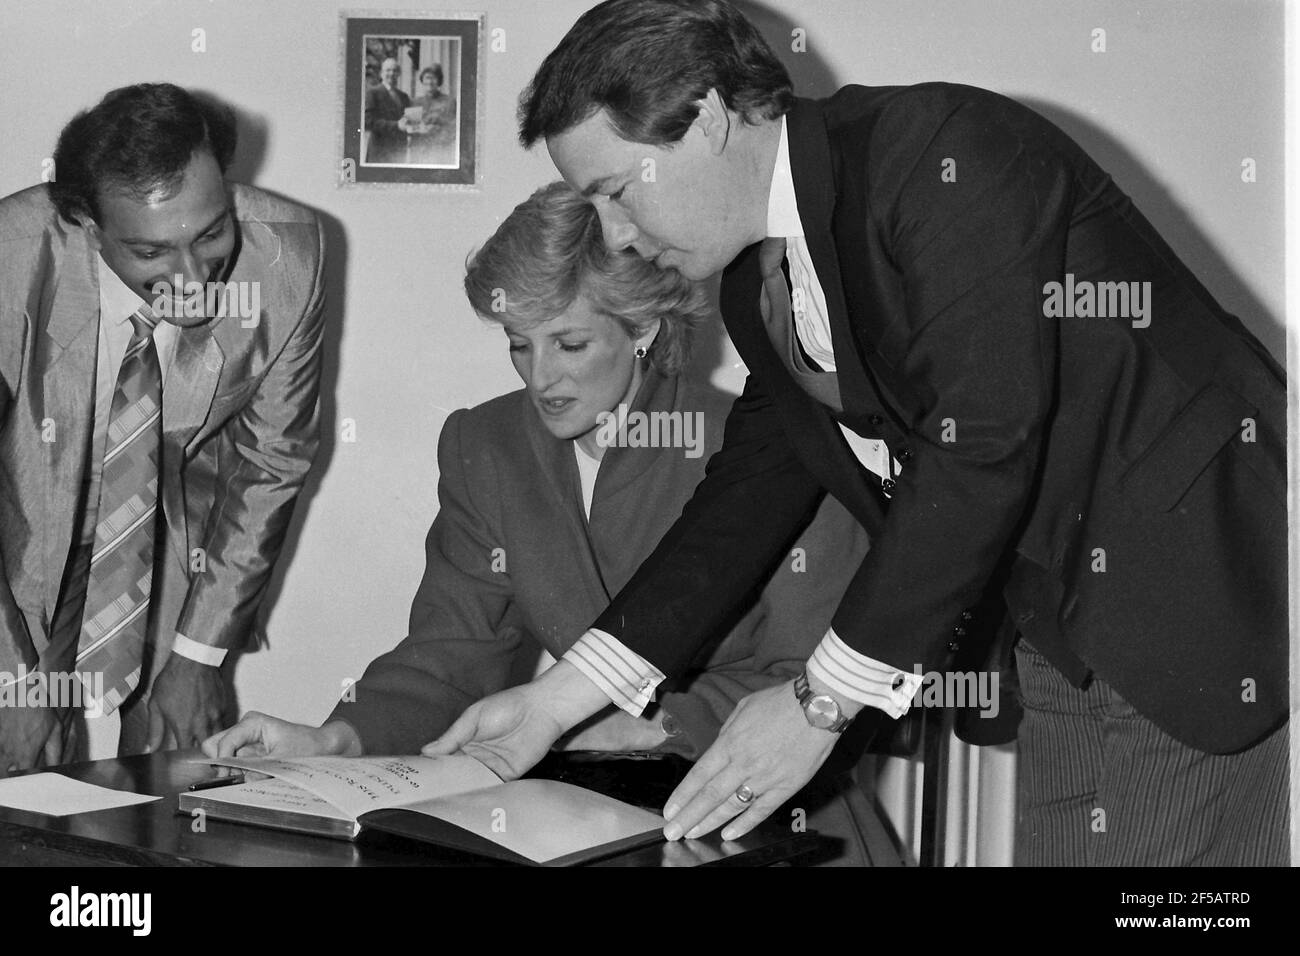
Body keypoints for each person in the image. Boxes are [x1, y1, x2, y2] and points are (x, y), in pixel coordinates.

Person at [428, 0, 1289, 866]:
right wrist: (557, 701)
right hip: (1064, 636)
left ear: (712, 119)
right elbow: (750, 494)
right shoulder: (754, 284)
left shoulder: (944, 151)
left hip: (1202, 592)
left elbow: (982, 445)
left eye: (615, 192)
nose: (615, 233)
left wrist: (819, 702)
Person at [205, 181, 899, 866]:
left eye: (568, 343)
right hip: (579, 824)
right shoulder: (487, 447)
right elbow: (451, 653)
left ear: (643, 329)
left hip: (772, 817)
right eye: (519, 343)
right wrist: (340, 742)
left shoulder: (772, 452)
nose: (541, 378)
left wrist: (646, 722)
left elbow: (817, 678)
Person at [0, 83, 325, 770]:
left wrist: (199, 656)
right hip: (22, 533)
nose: (191, 277)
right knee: (19, 770)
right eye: (150, 254)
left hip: (176, 540)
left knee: (177, 776)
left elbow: (272, 461)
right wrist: (12, 680)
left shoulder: (289, 259)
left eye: (210, 233)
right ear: (87, 224)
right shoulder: (9, 257)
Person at [363, 57, 412, 164]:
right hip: (380, 151)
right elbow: (368, 122)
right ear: (381, 73)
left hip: (399, 151)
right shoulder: (372, 93)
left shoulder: (404, 97)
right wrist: (396, 125)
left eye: (395, 70)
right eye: (388, 70)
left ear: (399, 74)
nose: (392, 73)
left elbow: (408, 120)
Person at [408, 65, 457, 166]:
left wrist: (438, 127)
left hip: (441, 149)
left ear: (439, 81)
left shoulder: (449, 101)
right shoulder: (415, 102)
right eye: (427, 78)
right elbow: (411, 128)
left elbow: (454, 128)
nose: (430, 82)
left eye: (434, 78)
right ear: (422, 80)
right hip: (420, 151)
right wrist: (423, 129)